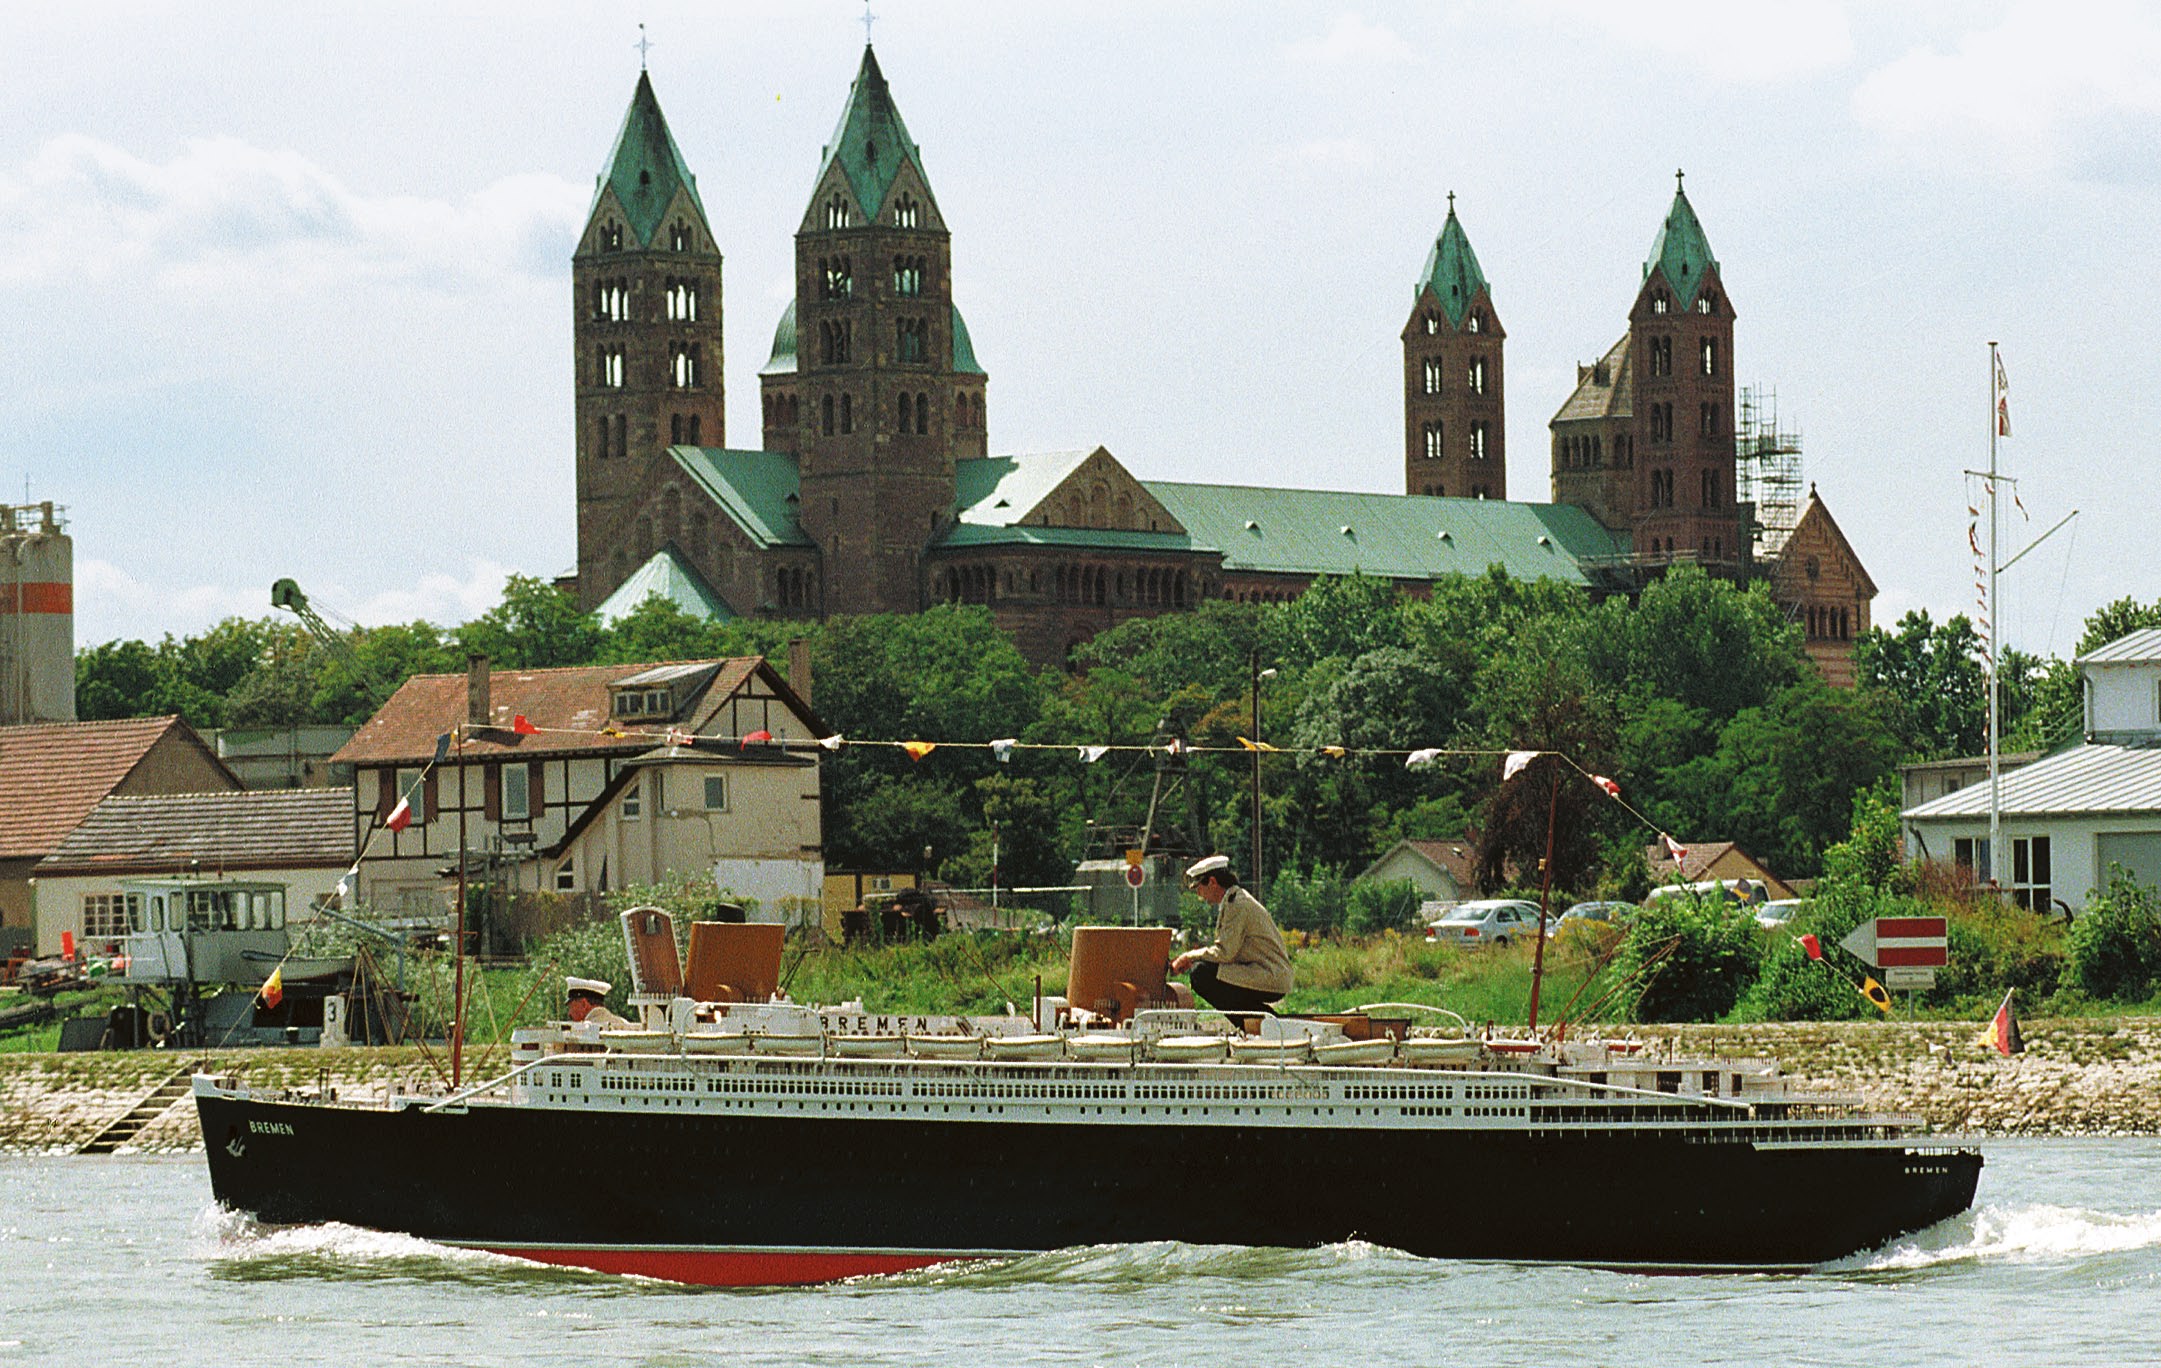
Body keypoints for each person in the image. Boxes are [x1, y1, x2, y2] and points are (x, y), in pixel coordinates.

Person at [1169, 855, 1293, 1015]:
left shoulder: (1237, 905)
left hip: (1269, 975)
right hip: (1264, 972)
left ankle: (1261, 1024)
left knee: (1201, 975)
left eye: (1199, 888)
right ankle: (1260, 1023)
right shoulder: (1234, 900)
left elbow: (1225, 953)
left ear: (1212, 882)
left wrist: (1189, 957)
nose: (1199, 895)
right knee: (1205, 971)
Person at [565, 976, 630, 1028]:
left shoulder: (586, 1029)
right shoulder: (624, 1023)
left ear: (584, 1004)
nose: (569, 1013)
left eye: (571, 1007)